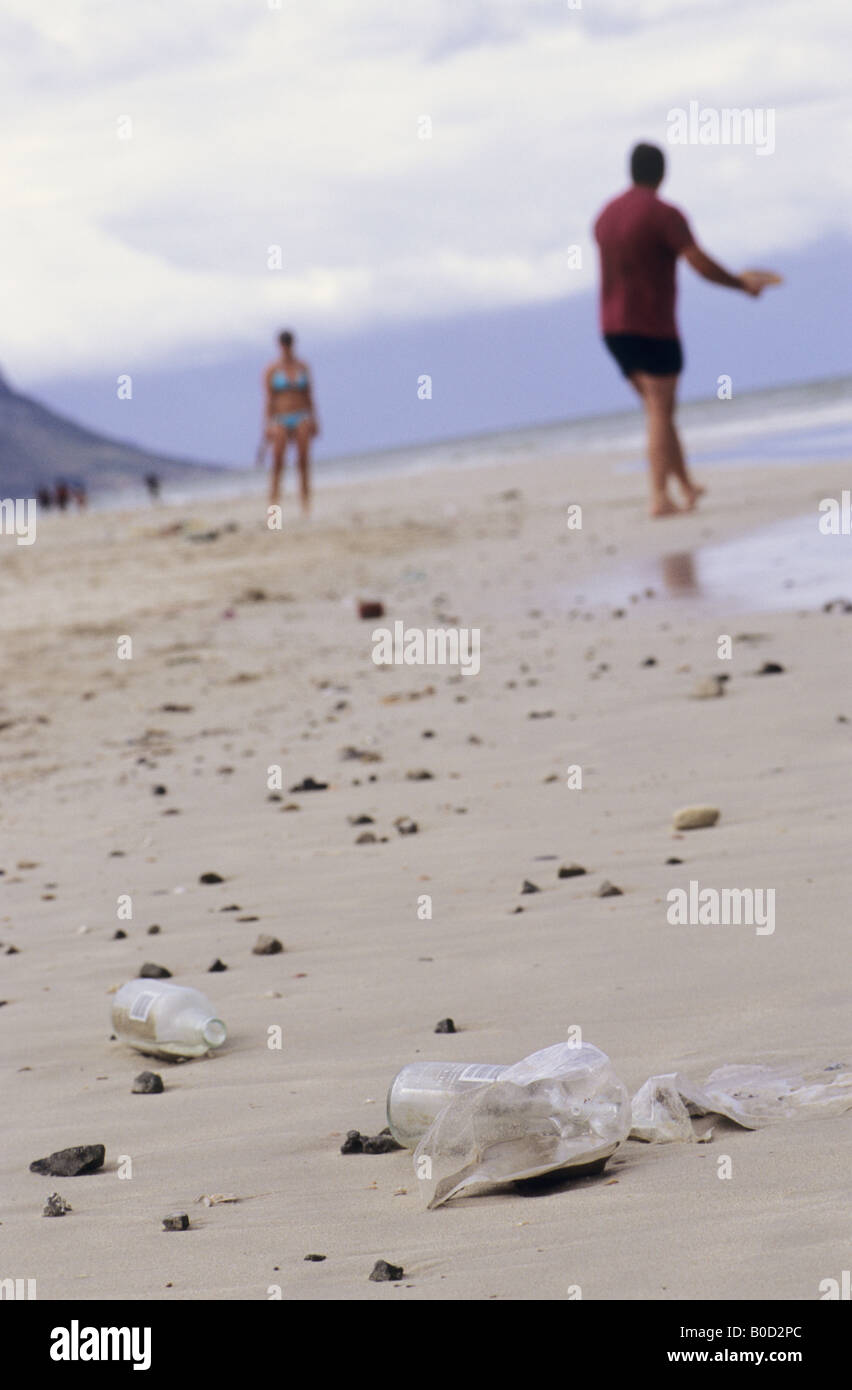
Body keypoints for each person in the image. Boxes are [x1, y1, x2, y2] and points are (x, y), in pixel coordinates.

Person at [593, 142, 780, 517]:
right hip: (651, 325)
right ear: (663, 172)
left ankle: (685, 485)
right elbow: (698, 262)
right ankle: (660, 498)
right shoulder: (664, 214)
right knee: (660, 409)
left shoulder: (605, 216)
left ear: (631, 170)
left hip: (613, 328)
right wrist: (741, 284)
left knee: (657, 409)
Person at [261, 330, 319, 513]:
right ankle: (274, 515)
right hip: (280, 418)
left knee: (303, 462)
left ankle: (306, 509)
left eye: (289, 344)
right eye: (284, 344)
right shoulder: (272, 370)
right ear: (279, 346)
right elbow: (268, 400)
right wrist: (267, 426)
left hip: (301, 415)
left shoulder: (302, 367)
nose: (287, 348)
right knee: (277, 464)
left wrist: (315, 419)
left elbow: (309, 395)